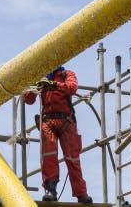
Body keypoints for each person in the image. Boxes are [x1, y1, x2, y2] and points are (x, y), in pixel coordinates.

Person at [22, 66, 92, 204]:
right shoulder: (40, 77)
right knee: (49, 157)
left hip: (66, 120)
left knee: (73, 159)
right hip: (48, 121)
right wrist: (35, 87)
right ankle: (50, 190)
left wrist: (54, 84)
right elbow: (28, 100)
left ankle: (81, 193)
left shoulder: (67, 74)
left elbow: (72, 88)